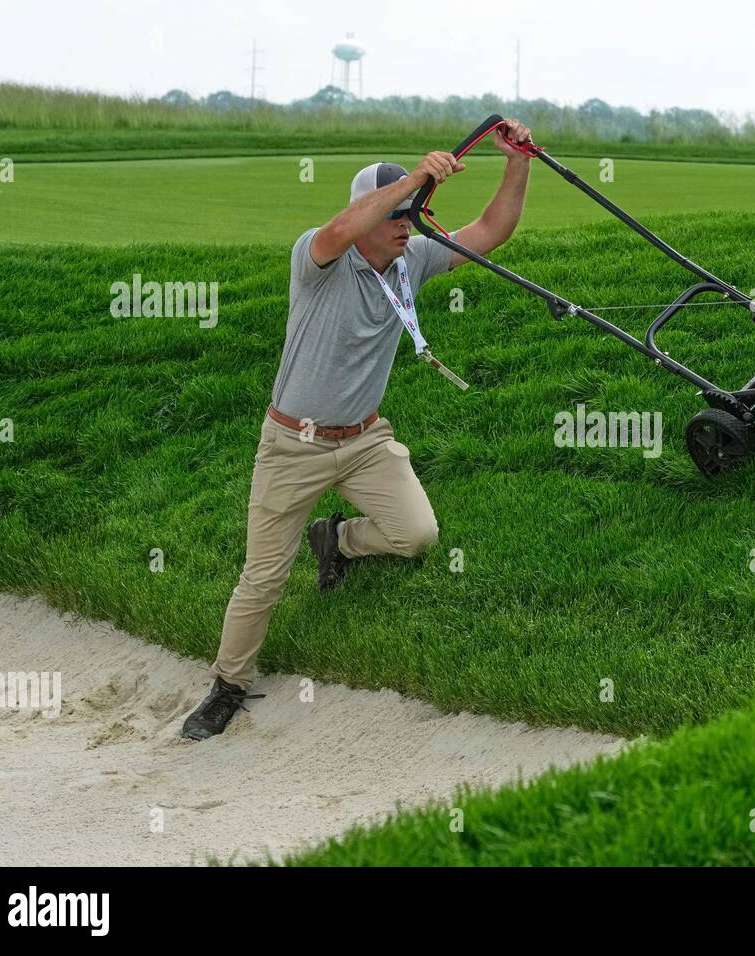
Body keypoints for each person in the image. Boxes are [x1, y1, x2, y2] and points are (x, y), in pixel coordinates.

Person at [181, 119, 534, 741]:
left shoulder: (412, 259)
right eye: (399, 213)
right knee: (262, 576)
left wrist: (517, 161)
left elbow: (490, 232)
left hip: (366, 441)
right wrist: (417, 175)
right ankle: (228, 685)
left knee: (419, 535)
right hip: (294, 445)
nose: (409, 224)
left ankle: (337, 541)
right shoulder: (317, 260)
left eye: (415, 213)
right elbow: (339, 230)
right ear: (367, 213)